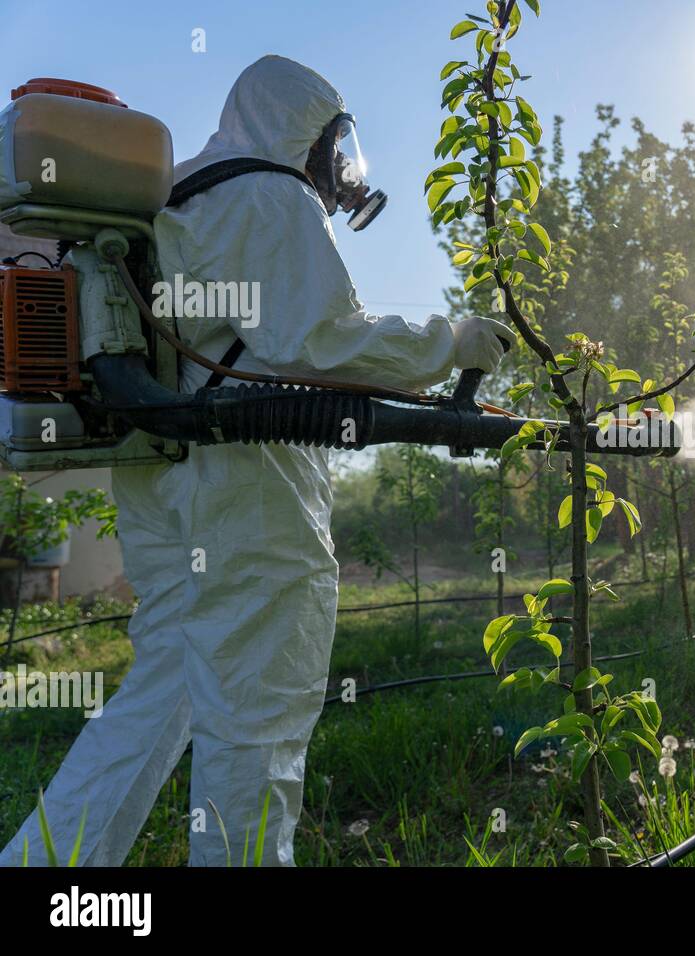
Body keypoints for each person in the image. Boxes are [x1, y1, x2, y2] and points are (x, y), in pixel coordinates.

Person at [0, 55, 507, 866]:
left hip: (162, 482)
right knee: (260, 718)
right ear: (301, 129)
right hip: (247, 494)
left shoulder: (183, 195)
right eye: (336, 148)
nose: (340, 173)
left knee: (160, 700)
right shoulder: (273, 195)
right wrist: (449, 342)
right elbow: (322, 342)